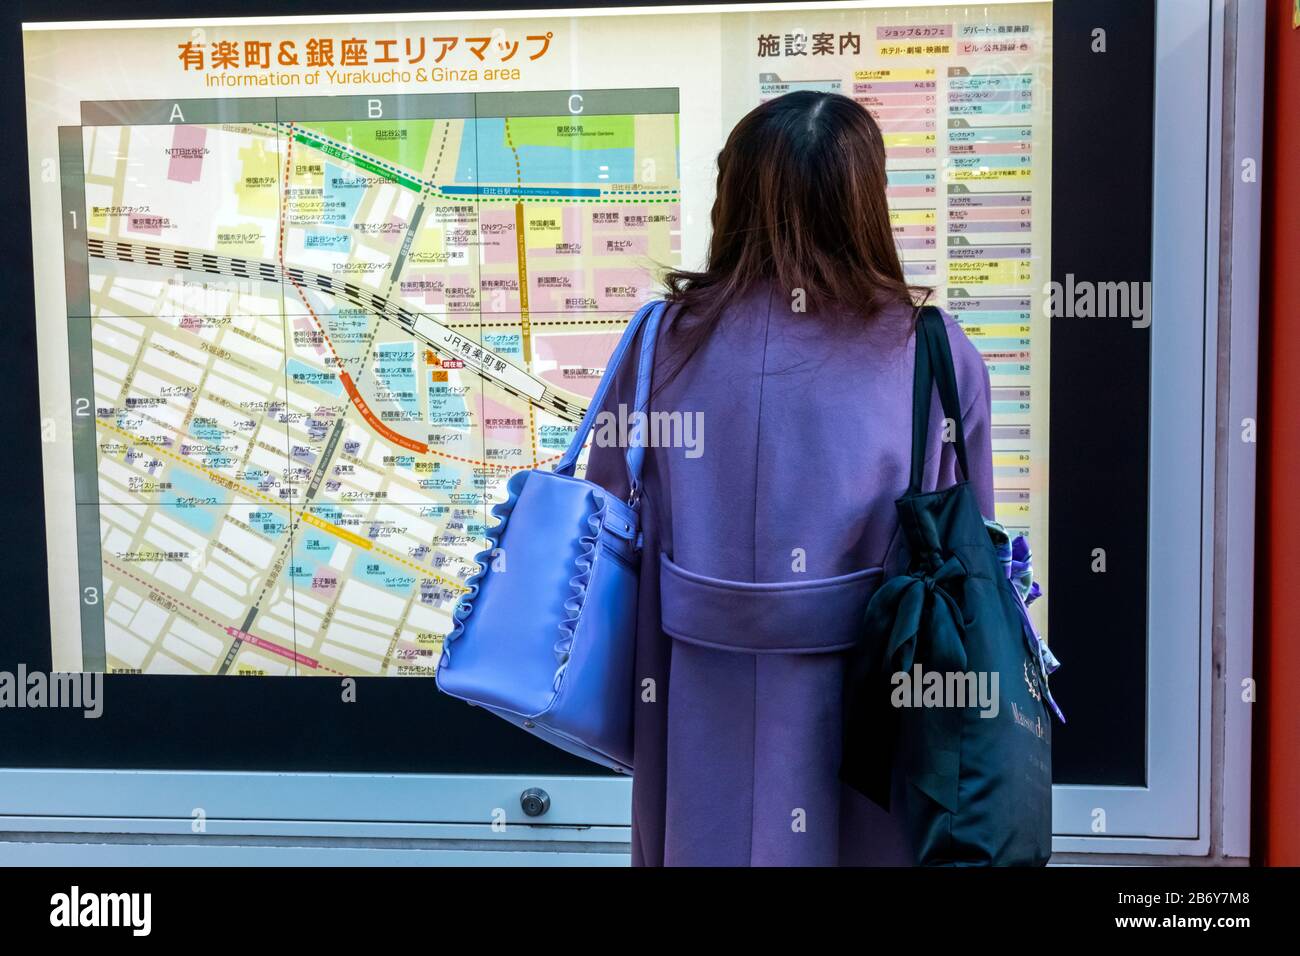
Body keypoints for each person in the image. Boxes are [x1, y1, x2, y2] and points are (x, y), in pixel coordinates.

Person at [583, 90, 995, 866]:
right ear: (865, 200)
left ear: (732, 194)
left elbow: (607, 509)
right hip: (876, 703)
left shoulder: (660, 338)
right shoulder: (934, 351)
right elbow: (967, 548)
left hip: (691, 689)